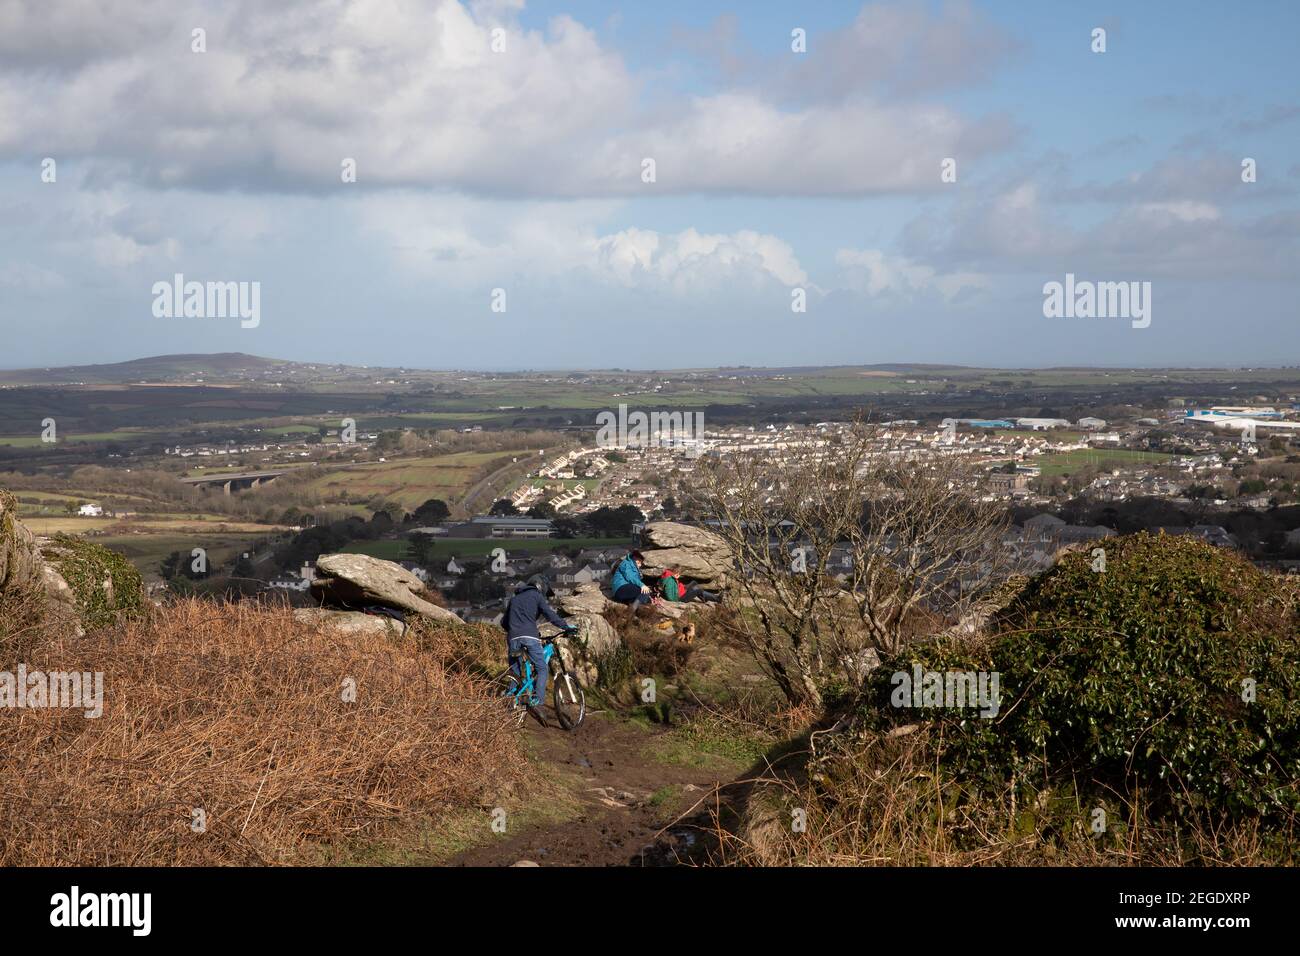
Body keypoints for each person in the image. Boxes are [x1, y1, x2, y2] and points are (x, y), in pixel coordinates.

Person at [501, 575, 575, 707]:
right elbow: (550, 614)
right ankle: (538, 702)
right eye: (546, 592)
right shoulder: (536, 596)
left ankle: (511, 700)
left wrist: (516, 629)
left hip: (512, 638)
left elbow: (503, 622)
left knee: (515, 671)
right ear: (541, 586)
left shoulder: (514, 599)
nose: (545, 595)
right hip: (529, 637)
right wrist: (566, 627)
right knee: (542, 669)